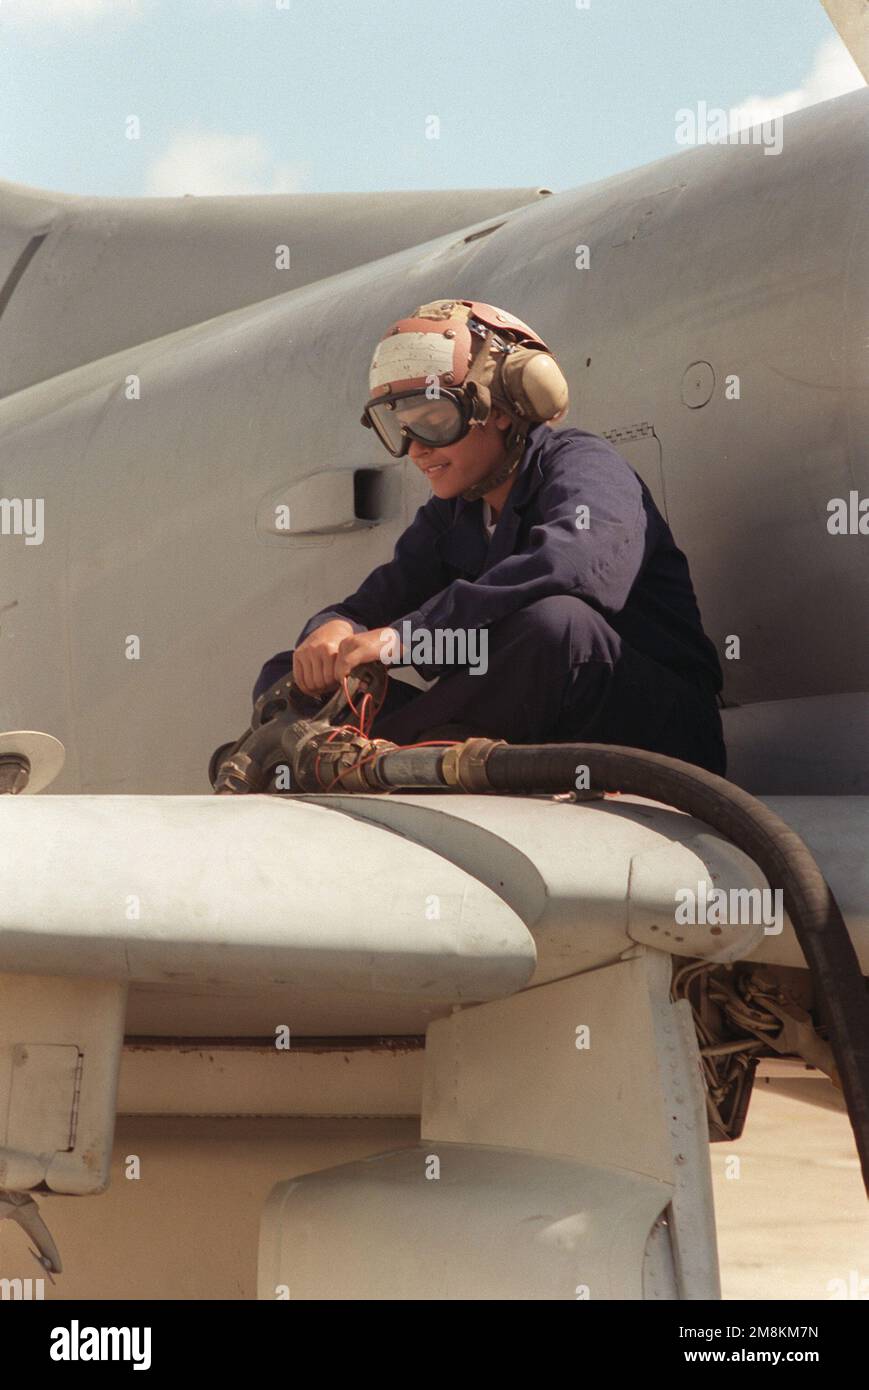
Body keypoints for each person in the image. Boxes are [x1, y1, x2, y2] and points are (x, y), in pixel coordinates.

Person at [254, 298, 726, 774]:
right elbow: (373, 606)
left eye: (435, 420)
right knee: (290, 678)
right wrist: (334, 630)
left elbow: (575, 568)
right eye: (401, 427)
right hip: (519, 712)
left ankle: (366, 762)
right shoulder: (453, 515)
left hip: (650, 732)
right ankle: (389, 758)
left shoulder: (584, 464)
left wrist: (405, 639)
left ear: (500, 408)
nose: (415, 450)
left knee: (555, 627)